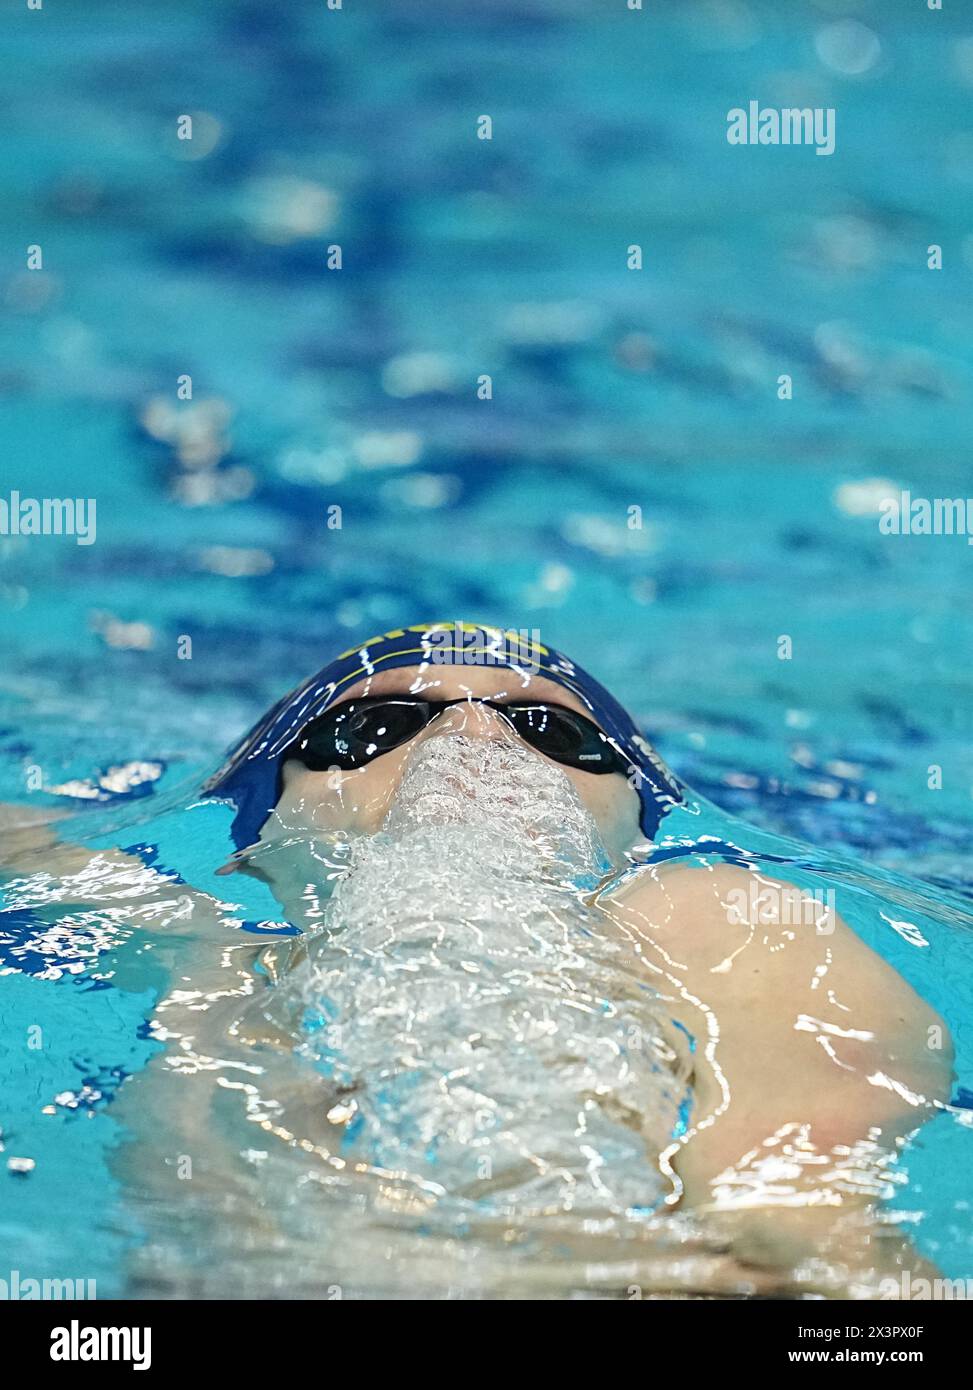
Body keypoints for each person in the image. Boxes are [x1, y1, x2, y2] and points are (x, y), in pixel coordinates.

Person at [0, 622, 951, 1296]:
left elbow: (825, 1243)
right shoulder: (180, 926)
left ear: (637, 819)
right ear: (258, 827)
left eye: (553, 731)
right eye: (374, 727)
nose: (472, 735)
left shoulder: (720, 918)